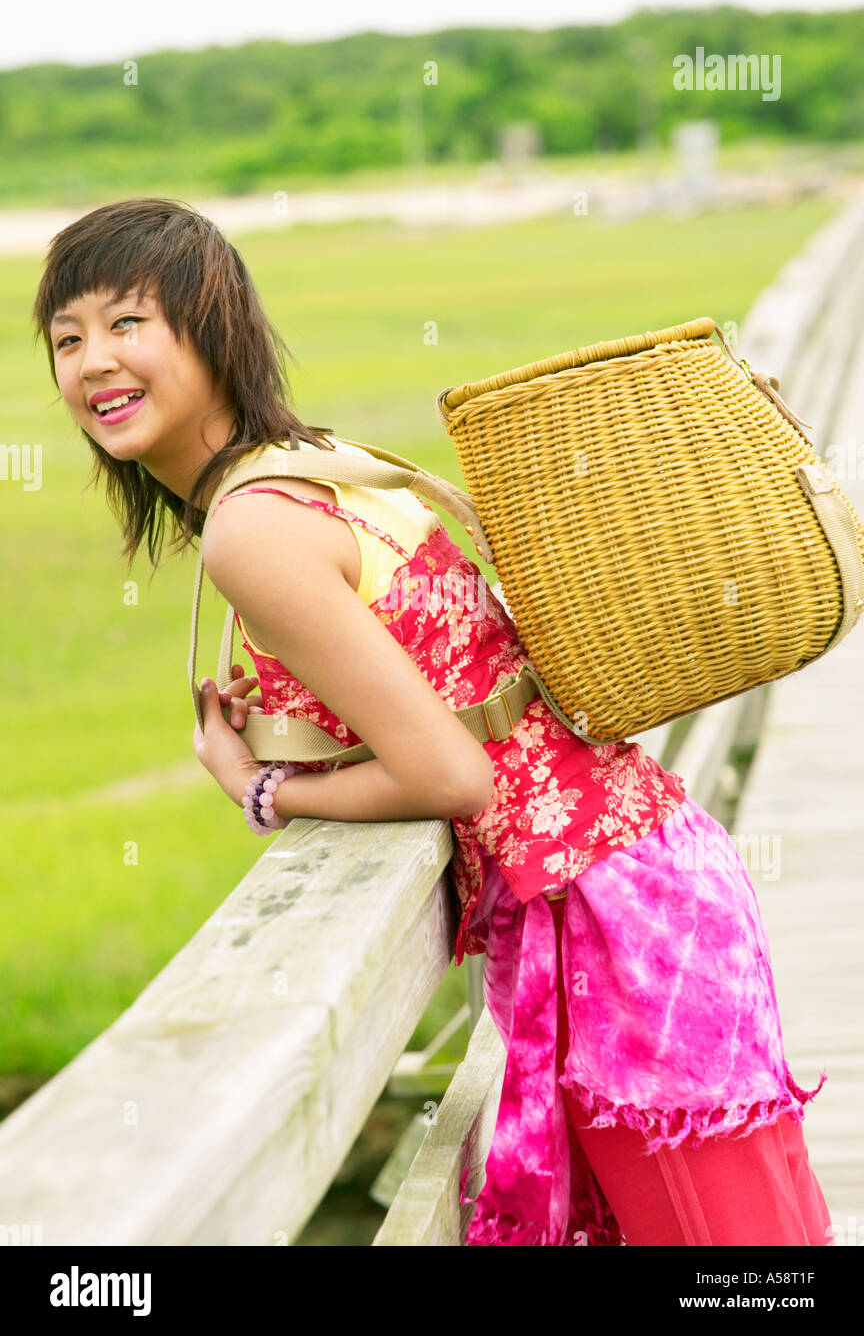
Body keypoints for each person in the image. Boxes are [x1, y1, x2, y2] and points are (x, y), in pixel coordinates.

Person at [33, 196, 833, 1247]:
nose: (95, 361)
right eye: (67, 338)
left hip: (610, 928)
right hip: (644, 875)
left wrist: (259, 786)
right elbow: (451, 674)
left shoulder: (251, 528)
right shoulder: (323, 463)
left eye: (127, 323)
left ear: (213, 329)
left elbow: (453, 775)